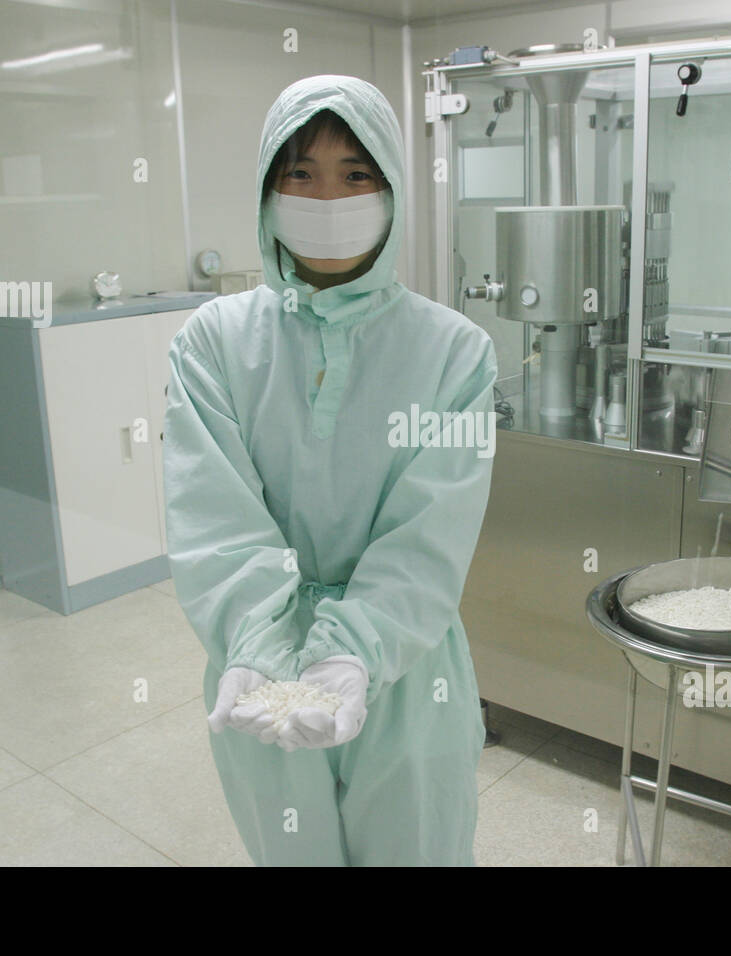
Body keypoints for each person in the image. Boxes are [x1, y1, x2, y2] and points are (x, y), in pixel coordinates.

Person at [162, 74, 498, 866]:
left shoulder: (452, 352)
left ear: (391, 190)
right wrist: (258, 642)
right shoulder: (212, 343)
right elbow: (212, 513)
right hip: (260, 669)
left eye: (356, 175)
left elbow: (430, 530)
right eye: (300, 174)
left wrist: (356, 649)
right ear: (268, 190)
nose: (327, 197)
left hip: (407, 666)